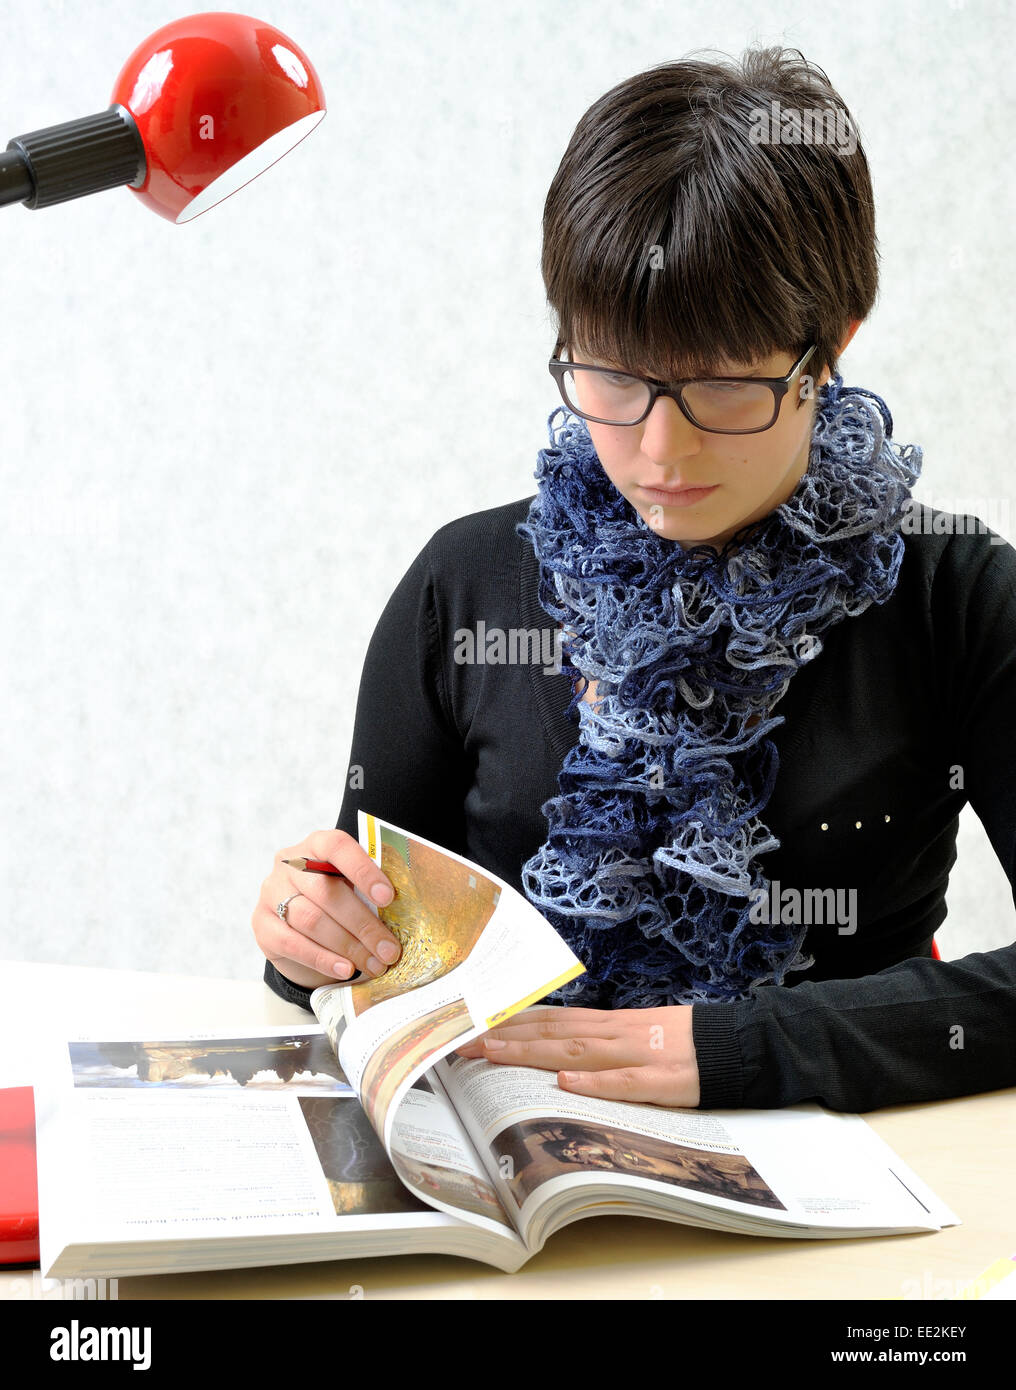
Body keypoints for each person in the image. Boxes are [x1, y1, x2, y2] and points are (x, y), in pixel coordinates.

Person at [251, 45, 1016, 1114]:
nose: (660, 448)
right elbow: (373, 943)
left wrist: (742, 1048)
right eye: (611, 374)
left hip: (849, 1186)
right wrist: (308, 934)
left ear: (828, 349)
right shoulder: (462, 585)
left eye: (719, 384)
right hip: (514, 1161)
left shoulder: (953, 594)